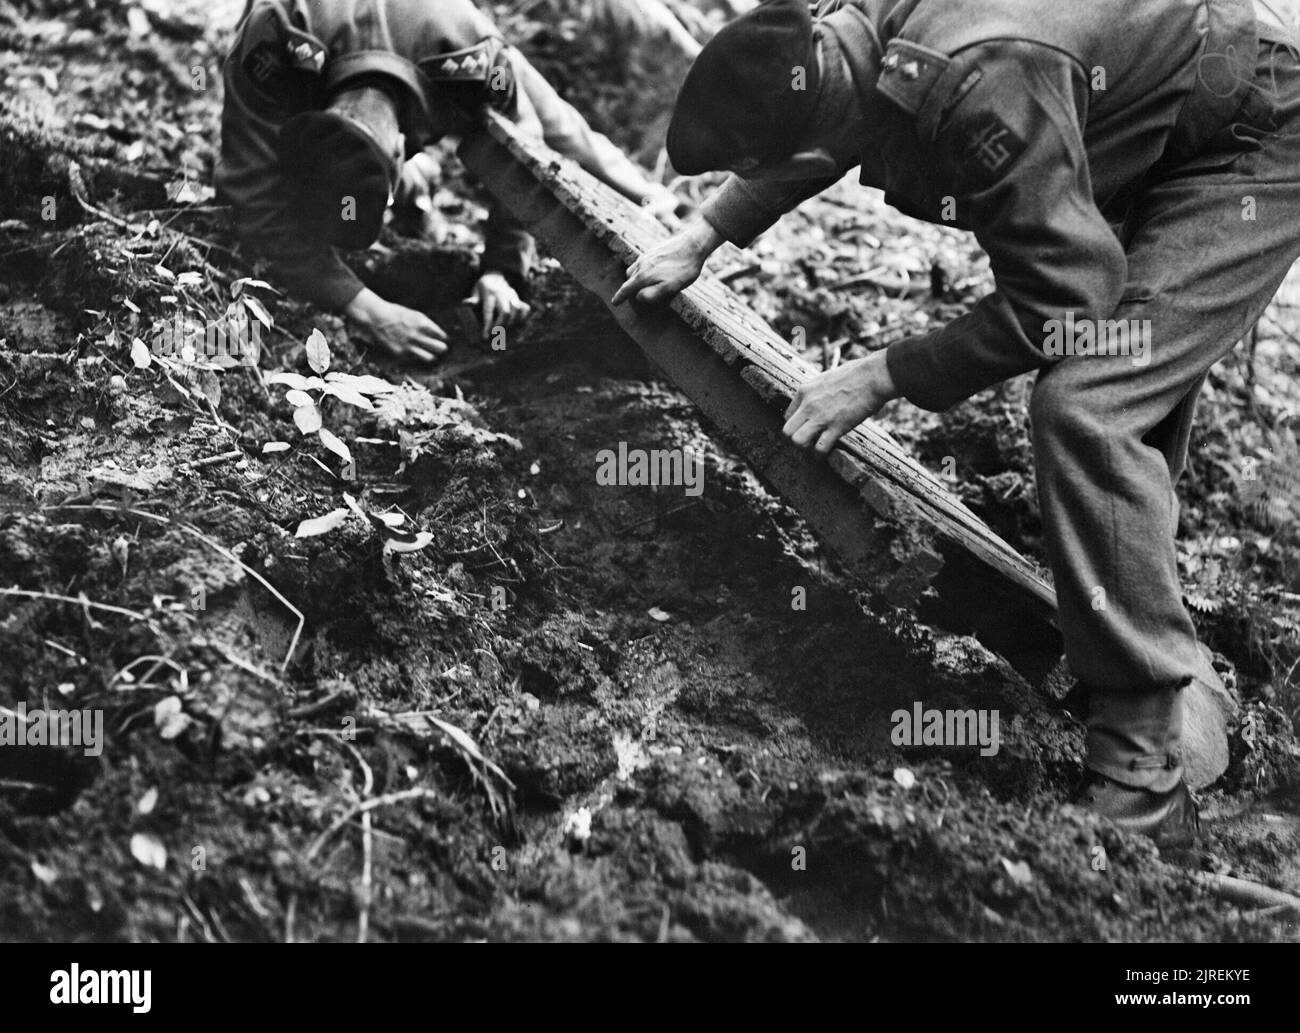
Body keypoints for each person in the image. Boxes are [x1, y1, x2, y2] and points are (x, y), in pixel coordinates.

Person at [615, 0, 1300, 845]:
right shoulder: (849, 37)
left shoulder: (982, 79)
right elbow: (831, 111)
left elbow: (1066, 298)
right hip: (1168, 95)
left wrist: (883, 374)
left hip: (1255, 128)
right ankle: (1153, 655)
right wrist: (707, 233)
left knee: (1090, 401)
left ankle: (1144, 790)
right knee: (1120, 390)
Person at [217, 0, 679, 361]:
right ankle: (401, 188)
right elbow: (251, 192)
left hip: (438, 36)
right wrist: (362, 307)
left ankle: (653, 195)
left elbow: (525, 158)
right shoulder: (274, 36)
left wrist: (503, 268)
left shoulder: (476, 59)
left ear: (403, 147)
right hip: (329, 43)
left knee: (560, 131)